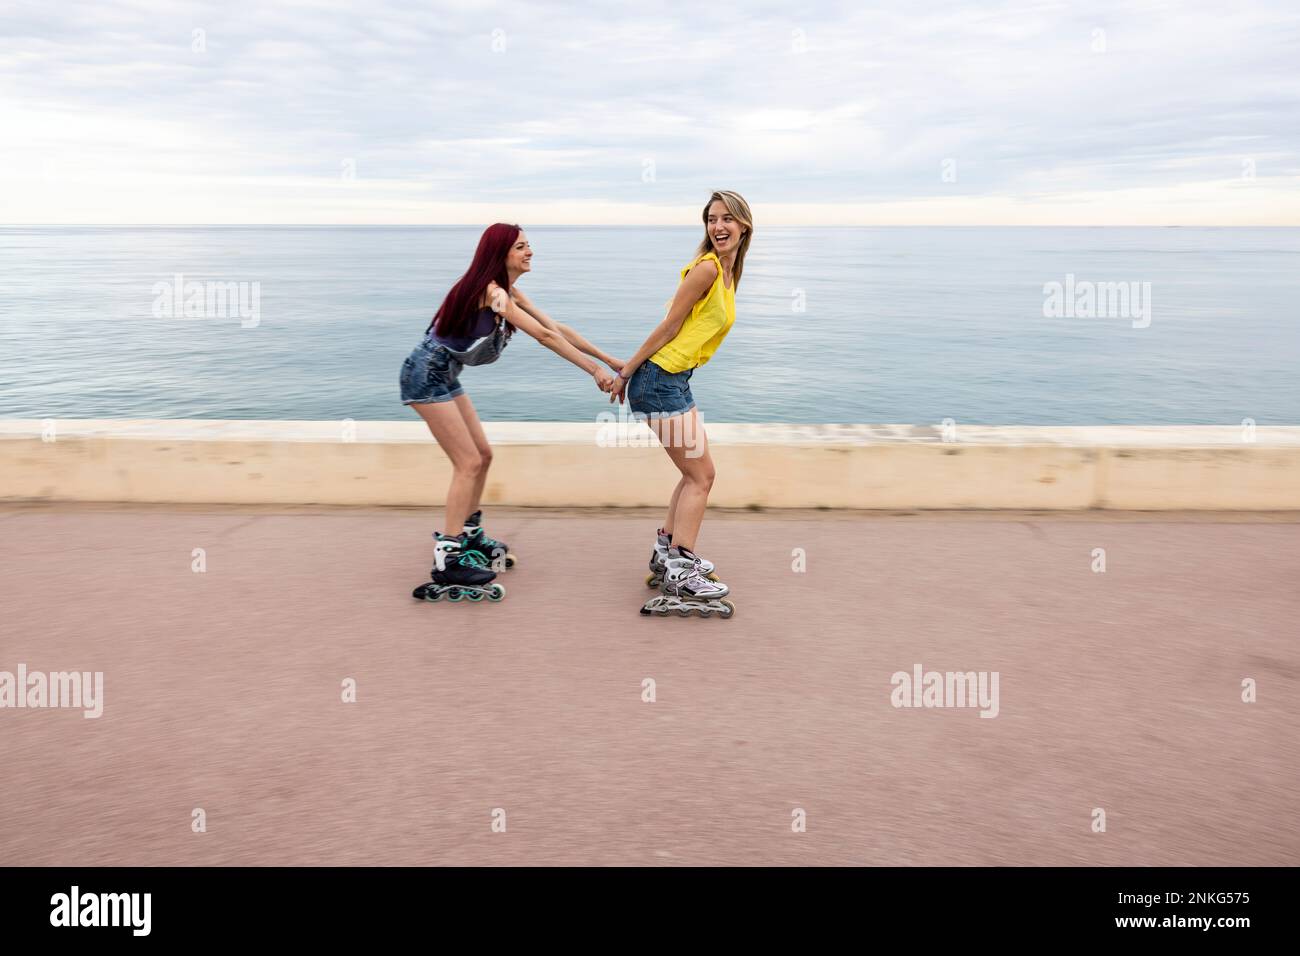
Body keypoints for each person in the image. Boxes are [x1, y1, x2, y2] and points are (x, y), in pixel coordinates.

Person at [401, 223, 621, 600]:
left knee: (483, 455)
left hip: (444, 373)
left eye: (528, 245)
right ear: (500, 253)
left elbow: (555, 327)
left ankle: (470, 535)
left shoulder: (508, 292)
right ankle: (448, 557)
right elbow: (544, 337)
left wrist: (607, 359)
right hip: (425, 375)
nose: (529, 251)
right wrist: (595, 372)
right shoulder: (491, 295)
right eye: (521, 246)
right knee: (467, 462)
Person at [608, 191, 752, 616]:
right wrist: (627, 370)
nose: (718, 226)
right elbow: (669, 325)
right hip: (658, 380)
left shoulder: (727, 272)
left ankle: (666, 553)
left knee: (694, 474)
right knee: (701, 476)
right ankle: (681, 569)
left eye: (727, 219)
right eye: (712, 219)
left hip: (675, 378)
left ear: (744, 225)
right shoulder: (707, 269)